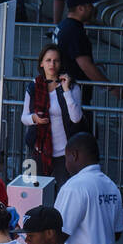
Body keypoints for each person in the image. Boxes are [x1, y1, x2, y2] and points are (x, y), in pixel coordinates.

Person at [54, 133, 123, 244]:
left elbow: (57, 233)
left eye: (65, 157)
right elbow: (117, 232)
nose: (65, 163)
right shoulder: (111, 186)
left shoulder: (74, 186)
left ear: (74, 155)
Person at [24, 44, 86, 183]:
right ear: (41, 63)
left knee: (64, 192)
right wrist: (34, 119)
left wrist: (66, 91)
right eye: (48, 60)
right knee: (36, 191)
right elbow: (24, 117)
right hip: (39, 149)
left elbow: (76, 118)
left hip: (65, 151)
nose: (52, 64)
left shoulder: (71, 86)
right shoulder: (34, 86)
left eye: (56, 60)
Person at [54, 0, 123, 102]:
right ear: (81, 8)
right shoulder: (74, 31)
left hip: (65, 91)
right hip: (73, 95)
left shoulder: (63, 26)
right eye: (90, 5)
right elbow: (86, 66)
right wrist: (111, 88)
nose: (93, 9)